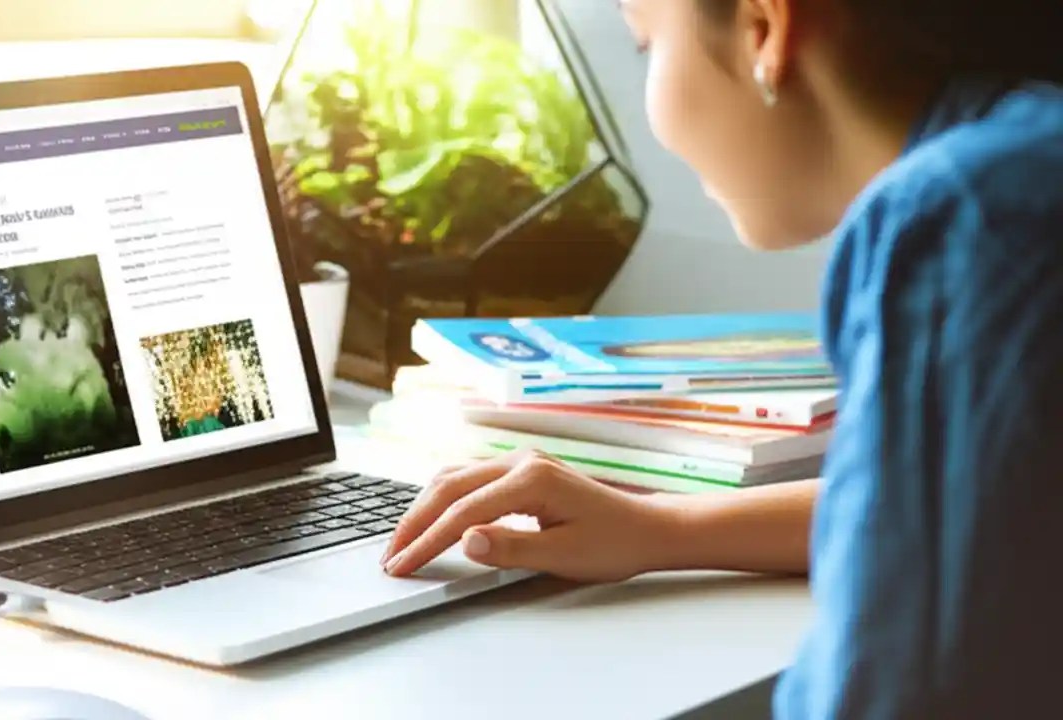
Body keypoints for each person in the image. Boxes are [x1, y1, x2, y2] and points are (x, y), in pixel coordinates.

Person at [380, 0, 1063, 717]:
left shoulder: (967, 221)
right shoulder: (1027, 160)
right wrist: (663, 526)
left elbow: (900, 695)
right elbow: (976, 507)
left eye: (648, 47)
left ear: (763, 27)